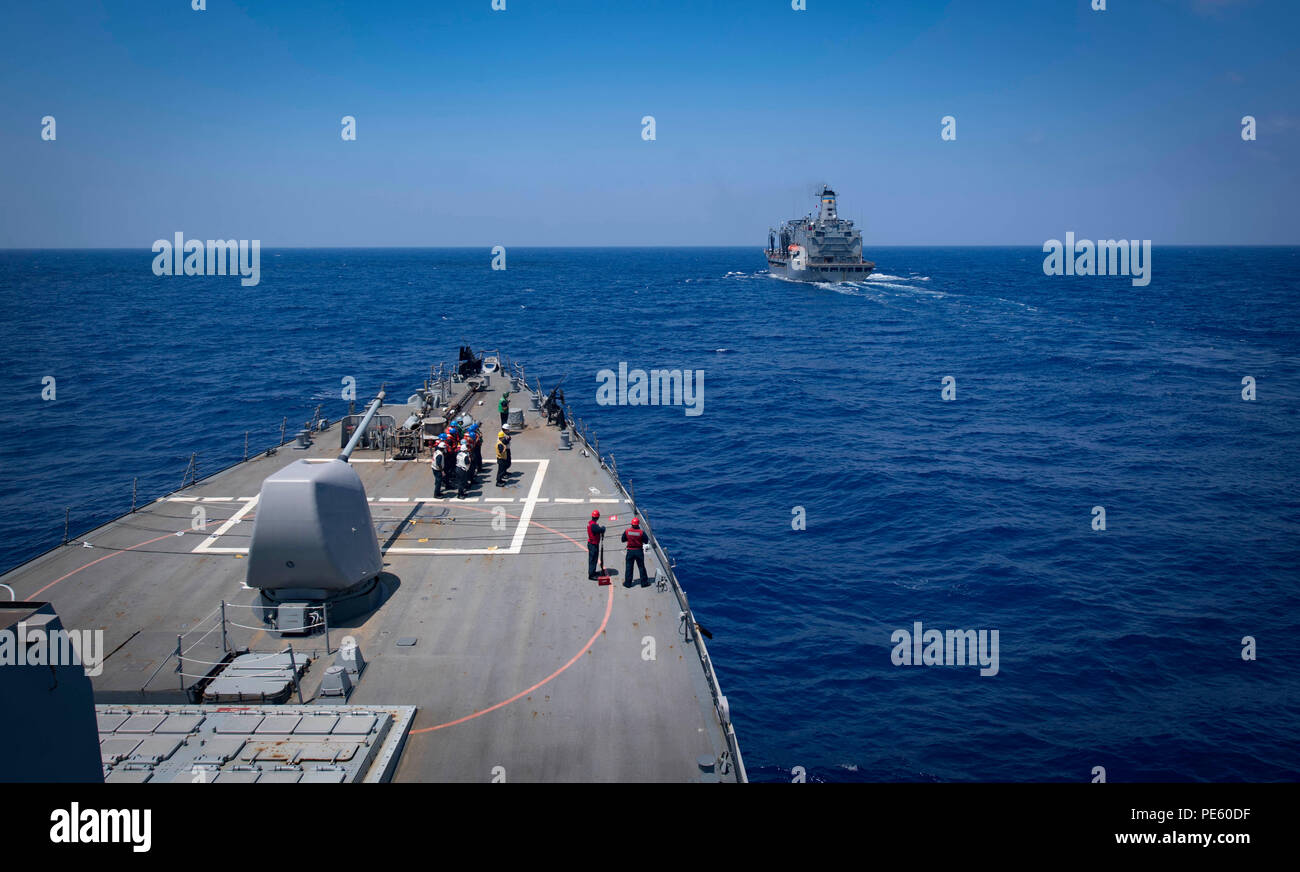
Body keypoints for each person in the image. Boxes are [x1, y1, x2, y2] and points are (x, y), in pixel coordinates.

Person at [621, 517, 649, 586]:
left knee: (629, 567)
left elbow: (623, 539)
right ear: (638, 524)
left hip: (630, 551)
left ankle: (628, 583)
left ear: (632, 524)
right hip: (639, 551)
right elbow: (646, 541)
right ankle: (644, 583)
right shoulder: (641, 532)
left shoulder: (627, 531)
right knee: (641, 567)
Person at [586, 510, 605, 580]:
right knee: (593, 559)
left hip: (592, 543)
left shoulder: (591, 523)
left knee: (594, 559)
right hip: (593, 545)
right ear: (597, 517)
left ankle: (593, 572)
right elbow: (601, 530)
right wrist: (603, 528)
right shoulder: (594, 525)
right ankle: (591, 575)